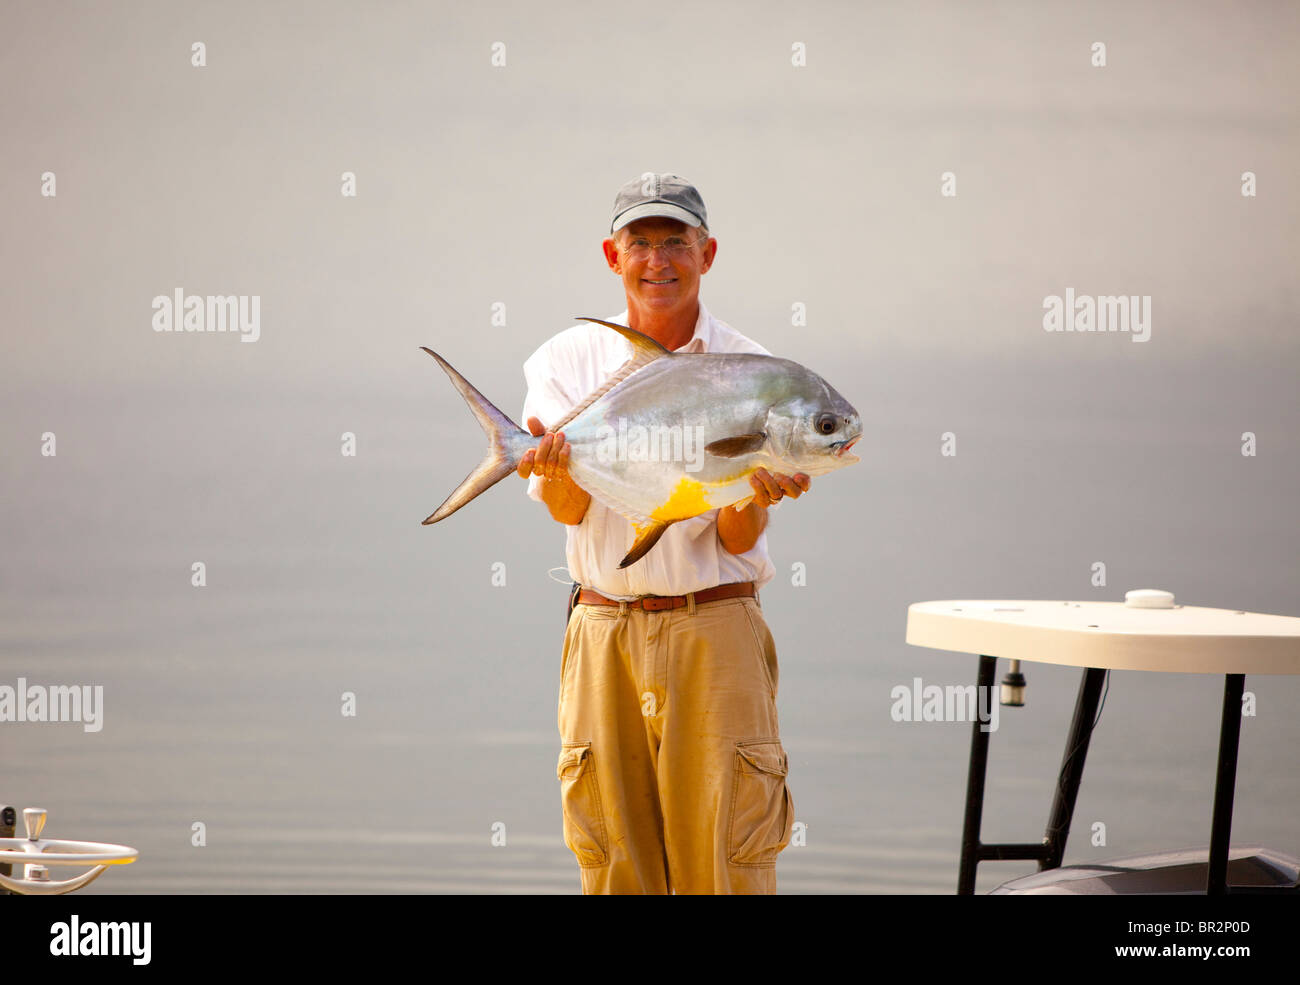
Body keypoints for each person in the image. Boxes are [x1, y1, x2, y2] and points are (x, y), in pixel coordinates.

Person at [516, 173, 811, 894]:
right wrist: (555, 465)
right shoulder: (564, 361)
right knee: (615, 864)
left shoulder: (754, 371)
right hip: (603, 630)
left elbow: (738, 536)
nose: (659, 261)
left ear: (707, 253)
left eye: (675, 242)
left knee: (728, 863)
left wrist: (758, 487)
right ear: (612, 257)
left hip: (714, 626)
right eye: (640, 244)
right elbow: (567, 509)